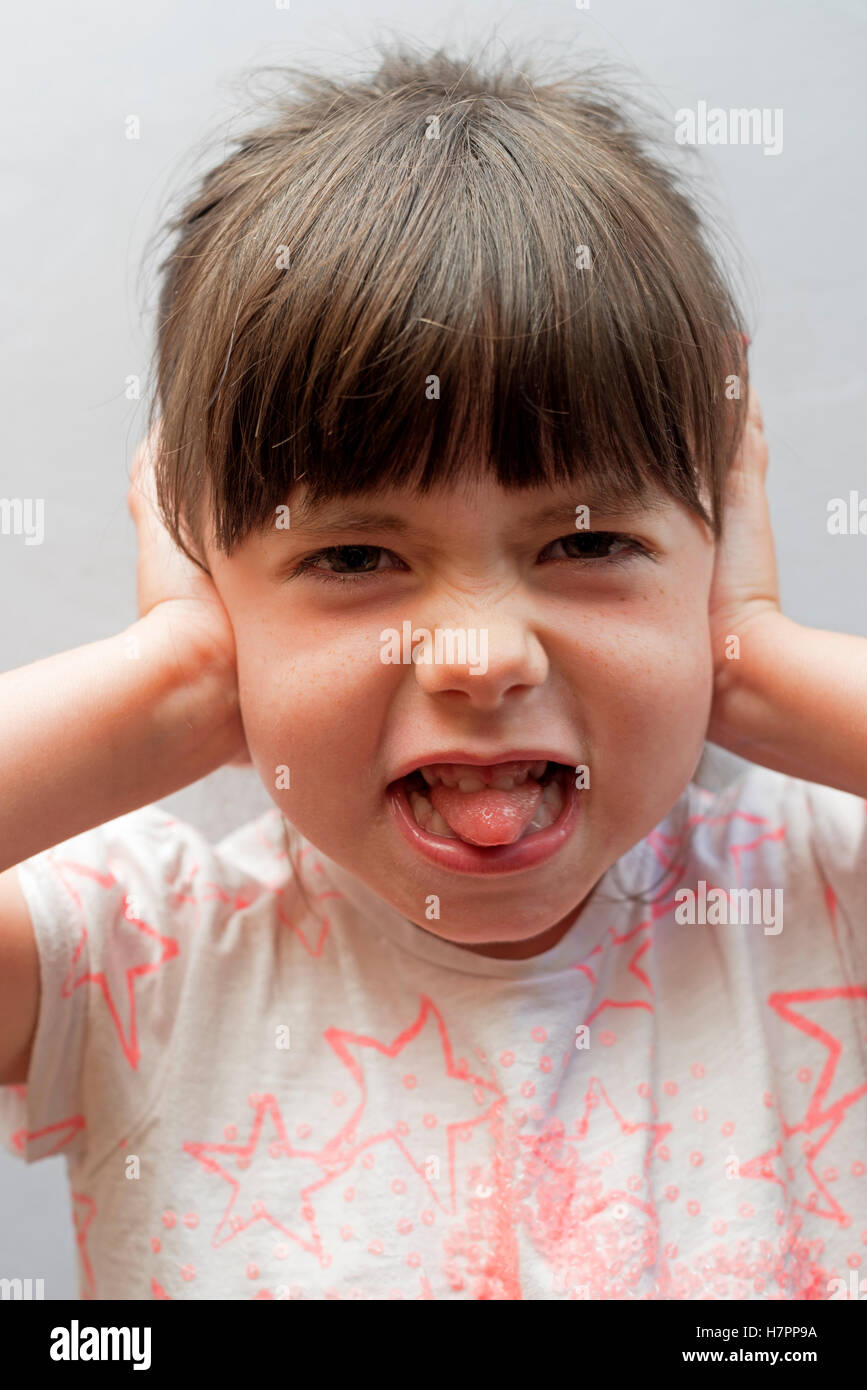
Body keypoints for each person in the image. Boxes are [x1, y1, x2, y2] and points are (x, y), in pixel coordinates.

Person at [1, 43, 865, 1301]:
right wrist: (175, 682)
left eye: (587, 543)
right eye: (356, 557)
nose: (482, 657)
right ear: (211, 576)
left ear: (717, 542)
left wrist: (755, 661)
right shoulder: (130, 953)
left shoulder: (827, 894)